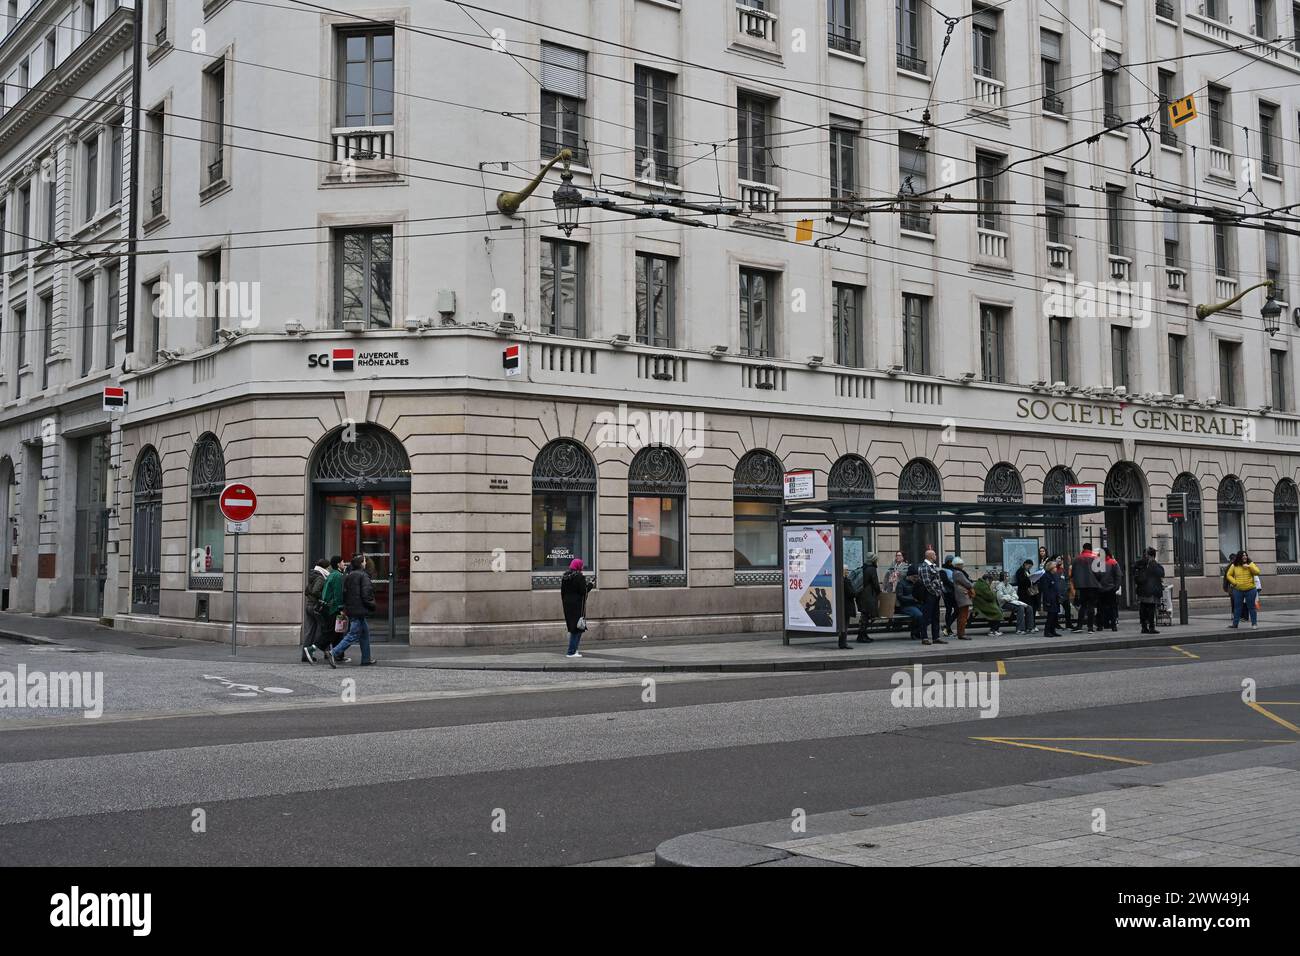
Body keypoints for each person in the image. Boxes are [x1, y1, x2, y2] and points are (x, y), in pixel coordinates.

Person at [328, 555, 378, 667]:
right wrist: (372, 605)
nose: (365, 563)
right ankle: (333, 653)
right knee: (353, 634)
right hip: (359, 610)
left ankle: (366, 659)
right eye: (364, 561)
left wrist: (345, 607)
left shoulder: (348, 576)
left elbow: (344, 594)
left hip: (352, 609)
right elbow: (366, 594)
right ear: (361, 563)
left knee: (364, 633)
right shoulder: (363, 576)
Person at [561, 557, 596, 657]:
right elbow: (583, 591)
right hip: (577, 605)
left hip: (567, 605)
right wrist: (590, 585)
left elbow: (562, 592)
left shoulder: (565, 577)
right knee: (578, 628)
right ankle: (571, 651)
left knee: (573, 627)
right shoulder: (579, 577)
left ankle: (574, 650)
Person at [301, 557, 330, 663]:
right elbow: (315, 591)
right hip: (316, 607)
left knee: (310, 632)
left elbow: (307, 591)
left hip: (309, 605)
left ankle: (305, 655)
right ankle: (328, 653)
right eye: (328, 567)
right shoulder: (321, 577)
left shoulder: (313, 575)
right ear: (325, 567)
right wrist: (322, 598)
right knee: (325, 630)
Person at [1069, 542, 1101, 632]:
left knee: (1082, 606)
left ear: (1083, 548)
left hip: (1081, 586)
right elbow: (1098, 573)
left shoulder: (1076, 558)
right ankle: (1090, 627)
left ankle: (1079, 626)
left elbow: (1073, 573)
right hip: (1093, 585)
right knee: (1091, 606)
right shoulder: (1095, 558)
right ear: (1091, 549)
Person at [320, 554, 346, 660]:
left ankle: (335, 654)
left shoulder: (332, 574)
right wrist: (340, 608)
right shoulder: (337, 576)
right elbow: (337, 593)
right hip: (334, 608)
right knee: (335, 632)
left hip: (328, 607)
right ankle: (335, 654)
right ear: (338, 564)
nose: (344, 564)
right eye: (343, 562)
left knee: (334, 632)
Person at [1133, 547, 1165, 634]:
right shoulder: (1150, 564)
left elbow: (1161, 574)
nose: (1145, 556)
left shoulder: (1141, 564)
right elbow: (1161, 573)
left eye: (1146, 554)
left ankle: (1145, 627)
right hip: (1149, 590)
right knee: (1149, 609)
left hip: (1144, 590)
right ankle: (1150, 627)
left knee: (1144, 608)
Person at [1226, 550, 1262, 629]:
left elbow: (1257, 572)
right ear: (1239, 557)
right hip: (1238, 590)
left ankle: (1254, 624)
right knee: (1237, 607)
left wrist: (1249, 567)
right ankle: (1235, 624)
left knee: (1251, 607)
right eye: (1243, 555)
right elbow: (1228, 575)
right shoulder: (1234, 565)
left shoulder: (1250, 564)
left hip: (1250, 589)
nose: (1245, 557)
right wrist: (1235, 583)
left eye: (1246, 555)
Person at [919, 549, 946, 645]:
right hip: (928, 595)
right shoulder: (924, 567)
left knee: (935, 616)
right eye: (934, 554)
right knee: (926, 616)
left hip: (935, 594)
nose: (936, 555)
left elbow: (938, 579)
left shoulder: (933, 566)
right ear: (930, 556)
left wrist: (940, 591)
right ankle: (924, 637)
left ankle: (936, 637)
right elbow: (927, 583)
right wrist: (935, 592)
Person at [855, 552, 882, 644]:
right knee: (866, 616)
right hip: (868, 596)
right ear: (873, 560)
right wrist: (879, 592)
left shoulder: (864, 567)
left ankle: (863, 634)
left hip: (861, 595)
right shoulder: (871, 569)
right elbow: (875, 584)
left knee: (864, 616)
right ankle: (861, 635)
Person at [895, 566, 926, 642]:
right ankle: (915, 632)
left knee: (928, 614)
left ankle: (919, 631)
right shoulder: (901, 583)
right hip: (906, 606)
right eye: (914, 577)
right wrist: (912, 598)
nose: (916, 579)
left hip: (917, 604)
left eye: (917, 577)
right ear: (909, 576)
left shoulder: (917, 583)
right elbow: (899, 596)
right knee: (918, 615)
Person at [996, 570, 1031, 634]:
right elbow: (1000, 597)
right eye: (1006, 576)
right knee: (1020, 608)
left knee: (1029, 607)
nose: (1008, 577)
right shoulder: (999, 586)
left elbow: (1015, 595)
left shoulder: (1009, 586)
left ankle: (1029, 627)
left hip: (1012, 602)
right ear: (1003, 577)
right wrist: (1010, 597)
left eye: (1008, 576)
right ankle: (1020, 629)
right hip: (1004, 603)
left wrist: (1010, 597)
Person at [1096, 547, 1121, 631]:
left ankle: (1101, 625)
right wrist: (1116, 586)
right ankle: (1112, 625)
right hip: (1110, 589)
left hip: (1103, 589)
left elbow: (1096, 576)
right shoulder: (1113, 562)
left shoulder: (1099, 563)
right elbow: (1118, 575)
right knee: (1112, 608)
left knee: (1101, 608)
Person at [950, 556, 974, 640]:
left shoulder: (955, 572)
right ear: (957, 565)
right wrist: (971, 584)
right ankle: (962, 633)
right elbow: (968, 583)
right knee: (963, 616)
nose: (962, 566)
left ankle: (960, 633)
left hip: (960, 595)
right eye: (961, 564)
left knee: (961, 615)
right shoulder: (959, 573)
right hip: (962, 595)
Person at [1039, 558, 1064, 636]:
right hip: (1050, 599)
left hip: (1056, 598)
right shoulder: (1045, 576)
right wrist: (1047, 601)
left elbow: (1056, 586)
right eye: (1055, 567)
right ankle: (1047, 632)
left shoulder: (1055, 575)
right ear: (1051, 568)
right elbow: (1045, 590)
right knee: (1051, 616)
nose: (1056, 568)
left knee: (1055, 616)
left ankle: (1053, 630)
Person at [1014, 559, 1038, 632]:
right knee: (1026, 608)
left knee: (1031, 608)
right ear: (1025, 564)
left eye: (1031, 567)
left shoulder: (1027, 571)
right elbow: (1021, 581)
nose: (1029, 568)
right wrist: (1029, 578)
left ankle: (1030, 625)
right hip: (1023, 593)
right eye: (1029, 566)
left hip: (1028, 592)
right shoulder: (1020, 571)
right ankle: (1027, 626)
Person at [941, 555, 958, 636]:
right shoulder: (943, 570)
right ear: (949, 562)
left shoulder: (953, 569)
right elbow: (946, 581)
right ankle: (947, 628)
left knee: (953, 610)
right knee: (951, 610)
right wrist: (955, 585)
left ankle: (947, 628)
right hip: (948, 593)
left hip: (952, 592)